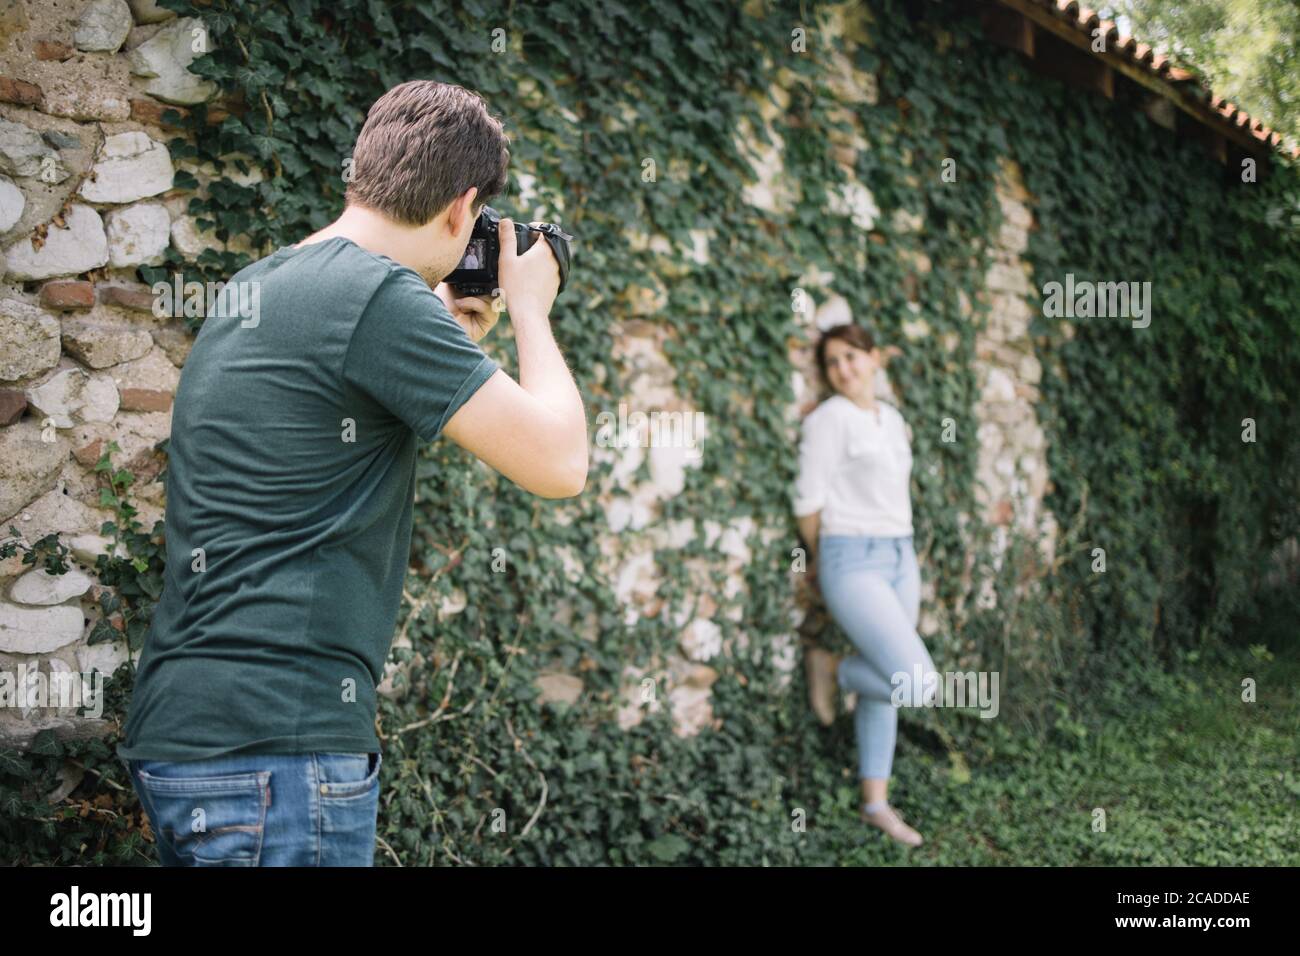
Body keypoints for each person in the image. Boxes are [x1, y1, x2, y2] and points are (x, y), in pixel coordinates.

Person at [115, 80, 588, 866]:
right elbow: (561, 462)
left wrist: (456, 319)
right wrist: (530, 306)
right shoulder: (377, 299)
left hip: (185, 734)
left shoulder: (260, 284)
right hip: (280, 751)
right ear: (459, 207)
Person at [793, 322, 939, 848]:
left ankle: (876, 803)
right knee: (919, 683)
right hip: (851, 559)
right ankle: (832, 667)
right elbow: (807, 502)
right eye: (832, 363)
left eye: (852, 357)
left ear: (875, 358)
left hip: (901, 554)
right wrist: (817, 558)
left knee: (889, 687)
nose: (843, 370)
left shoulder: (893, 421)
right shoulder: (829, 421)